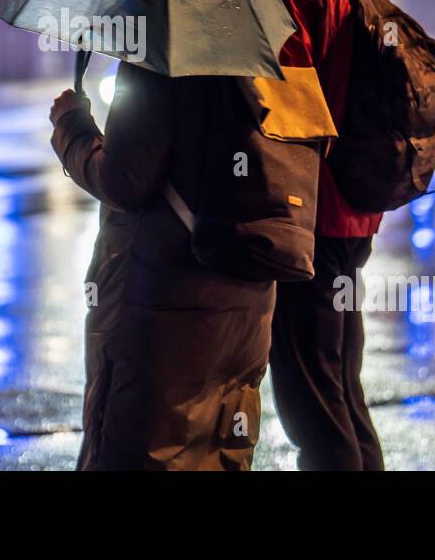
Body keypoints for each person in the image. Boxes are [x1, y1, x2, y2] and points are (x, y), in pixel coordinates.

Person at [49, 65, 276, 470]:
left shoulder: (157, 57)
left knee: (141, 453)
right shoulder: (259, 54)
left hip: (165, 304)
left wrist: (72, 126)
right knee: (220, 455)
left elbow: (123, 180)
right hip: (248, 299)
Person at [240, 0, 387, 471]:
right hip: (353, 210)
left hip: (307, 211)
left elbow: (286, 104)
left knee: (314, 405)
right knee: (340, 387)